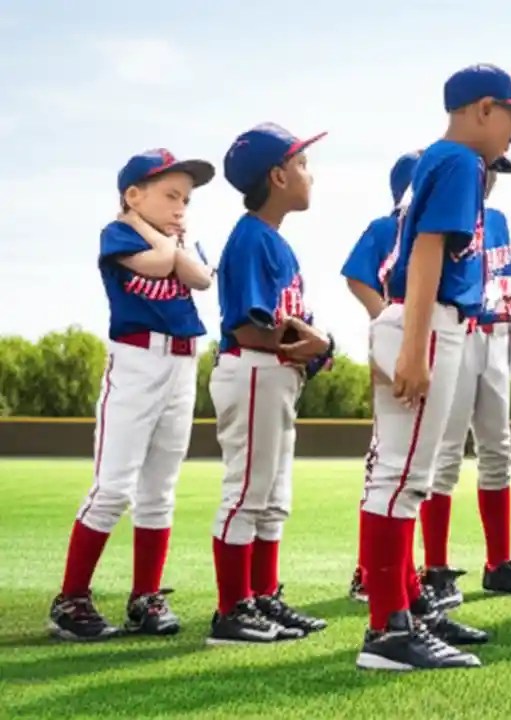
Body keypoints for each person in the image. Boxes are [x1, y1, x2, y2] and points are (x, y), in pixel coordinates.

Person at [355, 63, 511, 672]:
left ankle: (406, 609)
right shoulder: (462, 161)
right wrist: (416, 346)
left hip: (431, 323)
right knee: (401, 479)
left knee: (399, 476)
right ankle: (389, 631)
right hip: (430, 322)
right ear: (483, 109)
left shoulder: (442, 161)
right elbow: (426, 252)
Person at [48, 149, 215, 641]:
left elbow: (202, 278)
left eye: (185, 197)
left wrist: (169, 235)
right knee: (114, 487)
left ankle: (145, 597)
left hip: (182, 362)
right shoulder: (118, 233)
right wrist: (149, 230)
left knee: (159, 491)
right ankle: (71, 598)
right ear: (132, 196)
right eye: (170, 194)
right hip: (136, 362)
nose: (181, 206)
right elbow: (163, 265)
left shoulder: (177, 237)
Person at [207, 123, 334, 645]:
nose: (310, 173)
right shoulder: (251, 238)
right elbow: (247, 326)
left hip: (273, 376)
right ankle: (232, 610)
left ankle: (261, 597)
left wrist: (317, 347)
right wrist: (311, 345)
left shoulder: (272, 239)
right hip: (252, 371)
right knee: (247, 494)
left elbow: (286, 327)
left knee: (272, 496)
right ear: (278, 176)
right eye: (302, 164)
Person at [420, 156, 511, 608]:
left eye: (496, 169)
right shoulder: (445, 213)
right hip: (457, 330)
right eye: (486, 167)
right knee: (445, 454)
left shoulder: (497, 220)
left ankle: (499, 564)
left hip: (498, 332)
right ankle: (435, 569)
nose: (491, 177)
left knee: (498, 450)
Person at [344, 149, 420, 603]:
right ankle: (368, 572)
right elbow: (356, 276)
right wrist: (386, 318)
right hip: (399, 340)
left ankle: (400, 572)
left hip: (432, 340)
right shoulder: (387, 226)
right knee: (387, 464)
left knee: (411, 470)